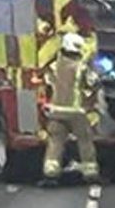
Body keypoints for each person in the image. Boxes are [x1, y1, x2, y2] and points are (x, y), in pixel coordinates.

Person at [41, 32, 101, 186]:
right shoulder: (81, 67)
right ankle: (90, 173)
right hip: (76, 112)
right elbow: (93, 82)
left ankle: (51, 173)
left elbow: (47, 83)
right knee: (85, 140)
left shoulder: (54, 66)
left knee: (55, 142)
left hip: (56, 112)